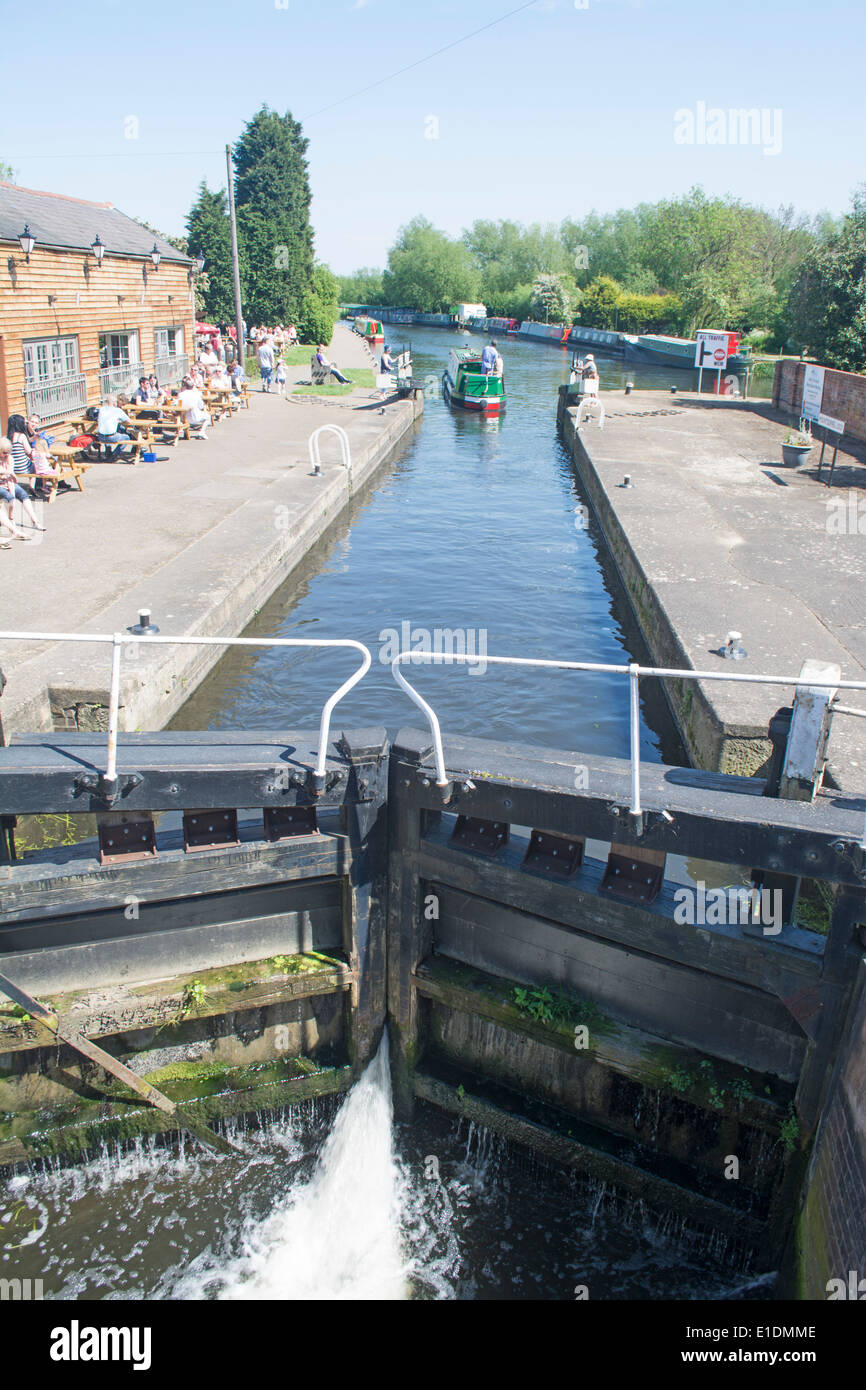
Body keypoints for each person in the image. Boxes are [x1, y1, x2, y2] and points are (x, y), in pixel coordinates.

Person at [0, 437, 43, 540]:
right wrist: (7, 474)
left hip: (8, 482)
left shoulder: (9, 458)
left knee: (23, 495)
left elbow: (9, 473)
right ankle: (12, 522)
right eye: (5, 452)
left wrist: (6, 475)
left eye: (9, 452)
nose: (7, 454)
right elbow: (7, 472)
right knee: (9, 498)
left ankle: (35, 521)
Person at [7, 415, 37, 492]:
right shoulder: (21, 436)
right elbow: (28, 451)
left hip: (12, 468)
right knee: (34, 467)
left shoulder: (8, 437)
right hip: (22, 466)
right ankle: (31, 486)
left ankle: (12, 485)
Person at [177, 375, 210, 440]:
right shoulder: (196, 394)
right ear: (192, 387)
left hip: (183, 418)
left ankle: (186, 433)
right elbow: (201, 406)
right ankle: (202, 431)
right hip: (195, 417)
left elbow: (178, 405)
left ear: (185, 386)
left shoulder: (181, 394)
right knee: (208, 416)